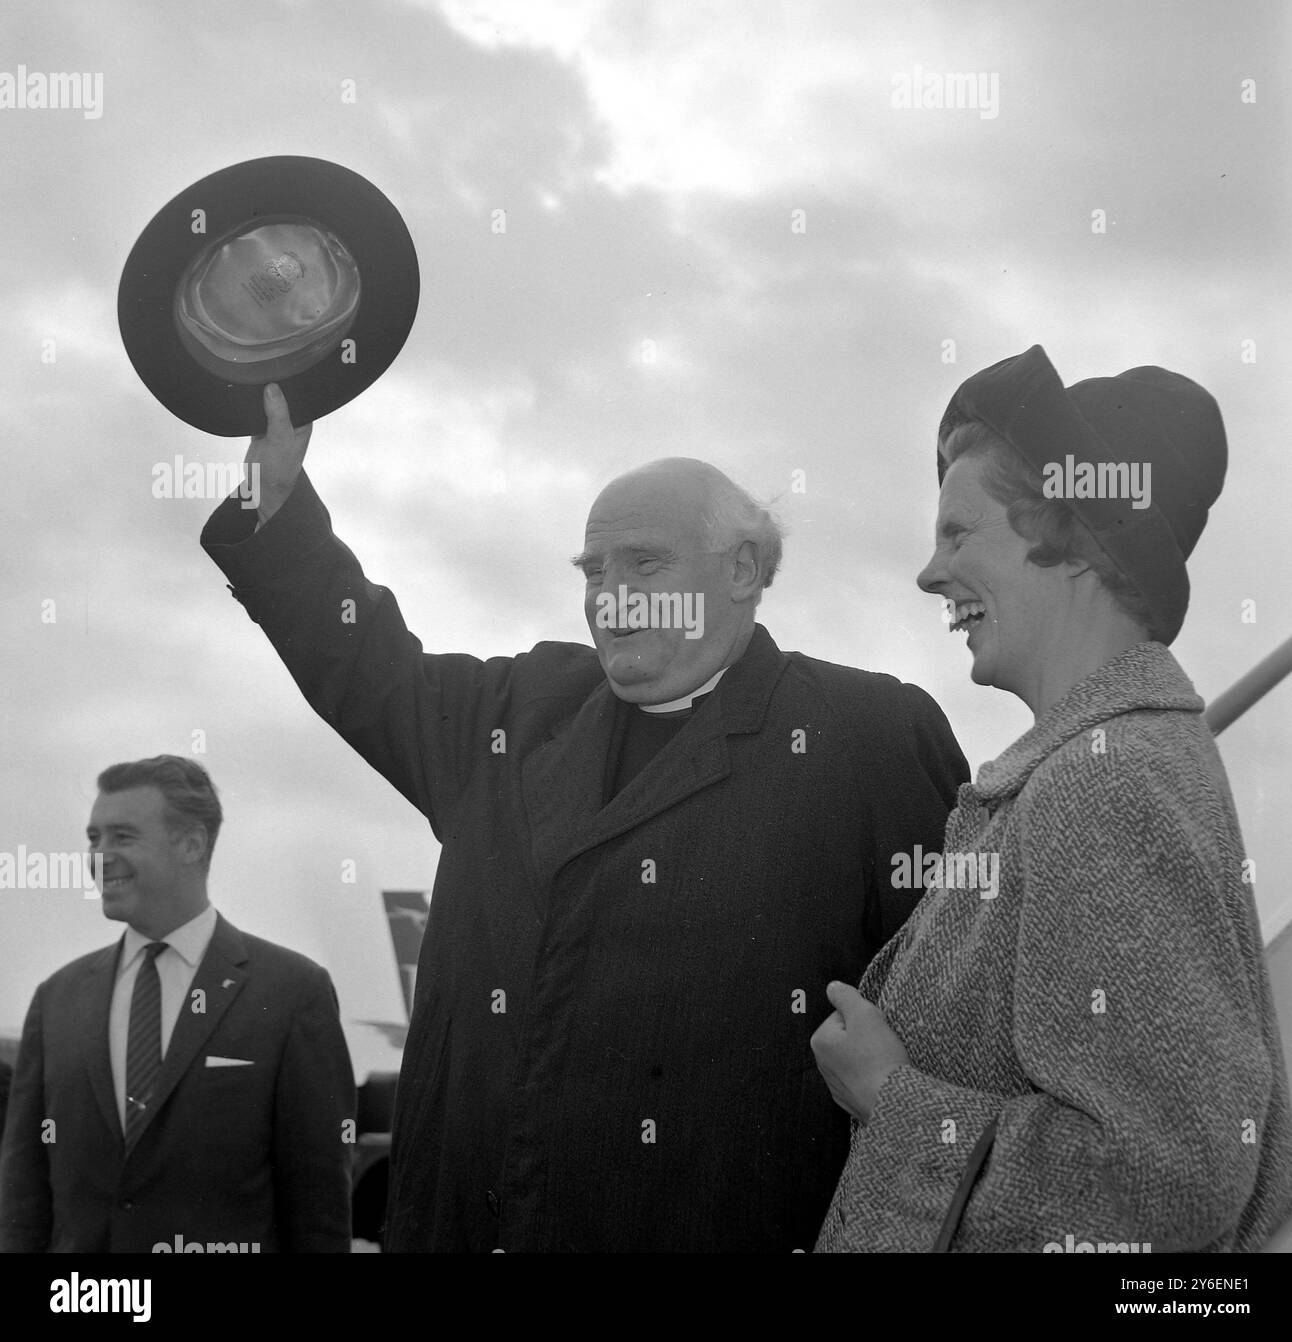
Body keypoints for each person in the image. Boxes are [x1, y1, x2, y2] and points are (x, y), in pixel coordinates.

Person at [198, 384, 969, 1251]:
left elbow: (947, 1031)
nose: (610, 595)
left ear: (744, 570)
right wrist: (277, 499)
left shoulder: (867, 738)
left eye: (644, 564)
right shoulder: (512, 713)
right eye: (593, 572)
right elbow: (361, 658)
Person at [812, 345, 1292, 1252]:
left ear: (1073, 534)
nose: (927, 573)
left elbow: (1165, 1185)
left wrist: (891, 1099)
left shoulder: (1102, 781)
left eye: (959, 534)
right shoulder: (1104, 763)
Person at [0, 756, 355, 1253]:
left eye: (122, 837)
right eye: (93, 838)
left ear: (192, 844)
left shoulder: (294, 993)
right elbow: (23, 1207)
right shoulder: (55, 1000)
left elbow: (318, 1214)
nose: (100, 856)